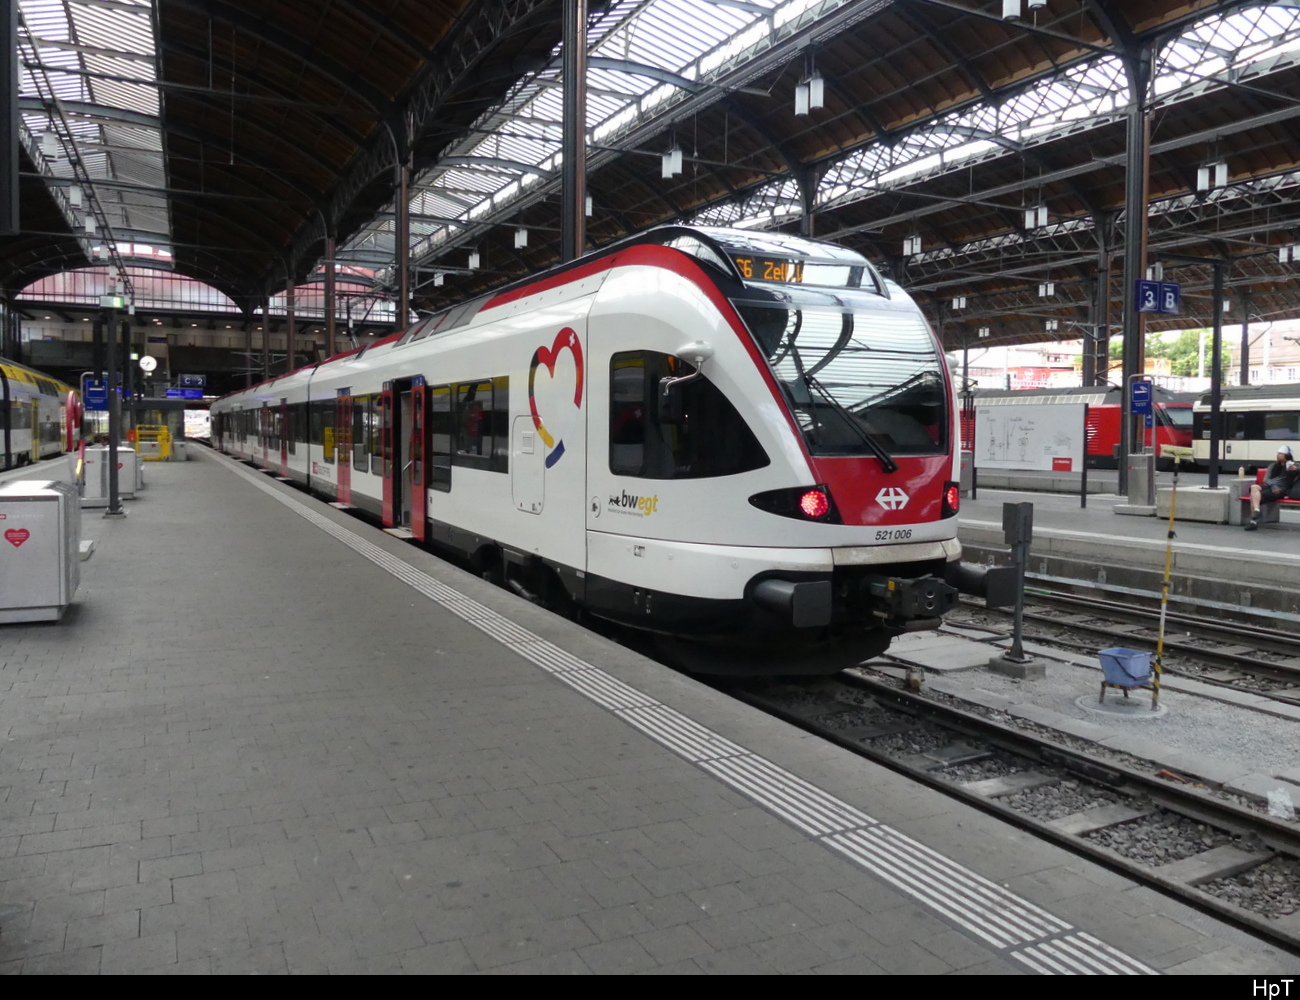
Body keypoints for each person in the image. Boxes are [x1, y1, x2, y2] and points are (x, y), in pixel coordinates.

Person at [1244, 445, 1300, 530]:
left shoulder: (1293, 465)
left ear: (1287, 455)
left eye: (1281, 453)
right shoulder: (1273, 466)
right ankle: (1256, 510)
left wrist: (1297, 469)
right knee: (1254, 487)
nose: (1278, 455)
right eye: (1278, 453)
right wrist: (1273, 486)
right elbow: (1266, 479)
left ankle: (1253, 521)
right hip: (1271, 487)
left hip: (1280, 489)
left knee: (1255, 496)